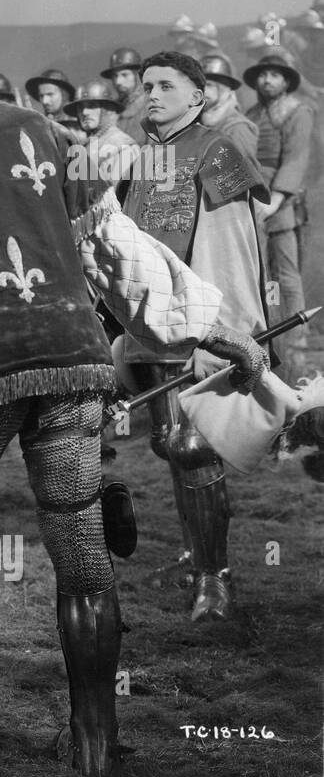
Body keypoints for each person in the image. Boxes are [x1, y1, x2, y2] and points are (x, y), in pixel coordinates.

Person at [0, 42, 266, 777]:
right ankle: (95, 743)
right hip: (72, 359)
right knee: (83, 554)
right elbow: (113, 245)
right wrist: (208, 322)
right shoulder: (42, 132)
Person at [120, 52, 271, 621]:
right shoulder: (139, 158)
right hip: (148, 327)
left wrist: (225, 334)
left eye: (165, 85)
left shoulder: (217, 150)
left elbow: (231, 247)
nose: (151, 94)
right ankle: (193, 554)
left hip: (197, 327)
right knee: (169, 445)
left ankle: (215, 579)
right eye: (146, 86)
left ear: (198, 96)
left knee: (193, 447)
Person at [244, 52, 316, 383]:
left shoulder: (299, 111)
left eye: (275, 75)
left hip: (281, 199)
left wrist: (275, 200)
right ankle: (272, 330)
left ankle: (297, 334)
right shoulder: (253, 114)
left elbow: (296, 158)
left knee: (286, 272)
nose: (267, 80)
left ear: (286, 81)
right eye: (263, 75)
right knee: (262, 271)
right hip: (253, 196)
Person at [65, 79, 139, 194]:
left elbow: (123, 195)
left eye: (91, 106)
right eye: (80, 107)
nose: (84, 112)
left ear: (106, 109)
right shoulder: (85, 145)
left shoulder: (122, 146)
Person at [198, 55, 257, 162]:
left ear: (224, 88)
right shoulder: (199, 123)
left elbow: (245, 173)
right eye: (199, 85)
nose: (203, 91)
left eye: (209, 85)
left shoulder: (237, 128)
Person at [24, 67, 83, 146]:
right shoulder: (41, 124)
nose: (45, 101)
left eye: (50, 94)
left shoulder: (80, 124)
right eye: (41, 96)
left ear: (64, 94)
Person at [99, 47, 147, 142]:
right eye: (115, 76)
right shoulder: (112, 110)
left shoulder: (151, 106)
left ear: (137, 75)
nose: (118, 81)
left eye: (124, 75)